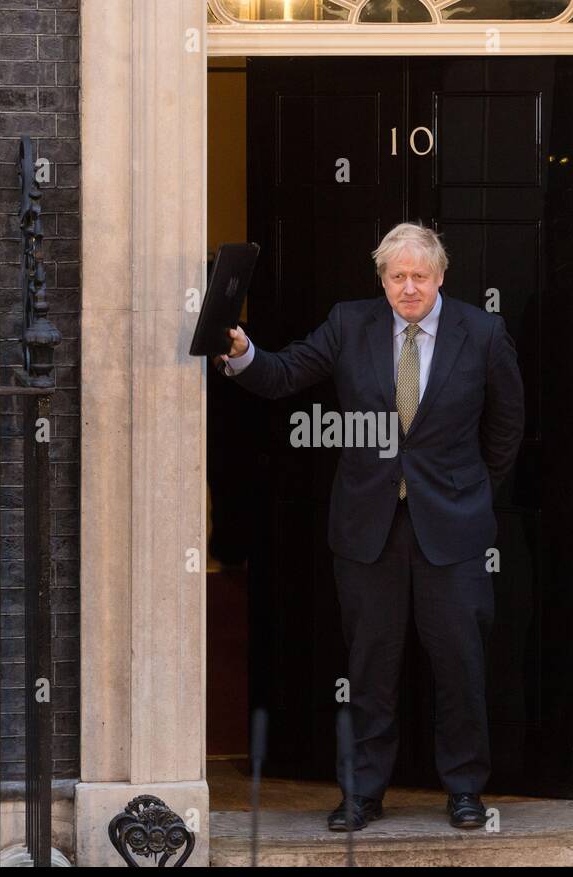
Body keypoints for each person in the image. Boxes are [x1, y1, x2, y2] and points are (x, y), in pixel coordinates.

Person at [218, 222, 525, 830]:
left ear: (441, 276)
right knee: (369, 670)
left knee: (461, 667)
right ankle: (361, 794)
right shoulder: (348, 323)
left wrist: (474, 494)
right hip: (368, 528)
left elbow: (506, 427)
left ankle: (465, 789)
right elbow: (283, 374)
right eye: (396, 276)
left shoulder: (483, 332)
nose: (408, 287)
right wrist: (240, 353)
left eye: (419, 275)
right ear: (381, 279)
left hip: (454, 531)